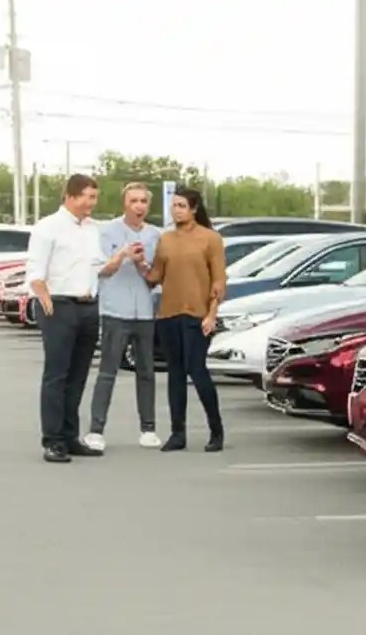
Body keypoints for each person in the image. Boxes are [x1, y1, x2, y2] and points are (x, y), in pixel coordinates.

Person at [26, 174, 107, 463]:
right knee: (57, 375)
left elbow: (96, 267)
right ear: (70, 196)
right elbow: (35, 271)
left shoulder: (93, 229)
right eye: (87, 196)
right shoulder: (48, 228)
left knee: (78, 375)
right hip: (59, 305)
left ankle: (70, 436)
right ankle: (53, 440)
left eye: (94, 197)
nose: (91, 203)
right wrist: (46, 300)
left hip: (87, 306)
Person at [139, 187, 227, 452]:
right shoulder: (166, 239)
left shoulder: (210, 238)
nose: (176, 210)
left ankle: (216, 430)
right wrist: (139, 263)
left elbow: (219, 280)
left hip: (198, 315)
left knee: (197, 370)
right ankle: (178, 433)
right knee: (175, 374)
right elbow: (156, 276)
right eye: (173, 205)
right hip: (169, 315)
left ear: (194, 209)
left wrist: (212, 313)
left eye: (181, 206)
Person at [83, 182, 163, 452]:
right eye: (134, 201)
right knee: (108, 371)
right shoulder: (107, 231)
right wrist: (123, 255)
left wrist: (141, 264)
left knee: (146, 372)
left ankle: (148, 429)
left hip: (144, 312)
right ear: (124, 204)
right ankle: (96, 430)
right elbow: (102, 270)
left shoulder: (155, 235)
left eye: (143, 201)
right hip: (115, 310)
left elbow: (154, 279)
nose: (139, 206)